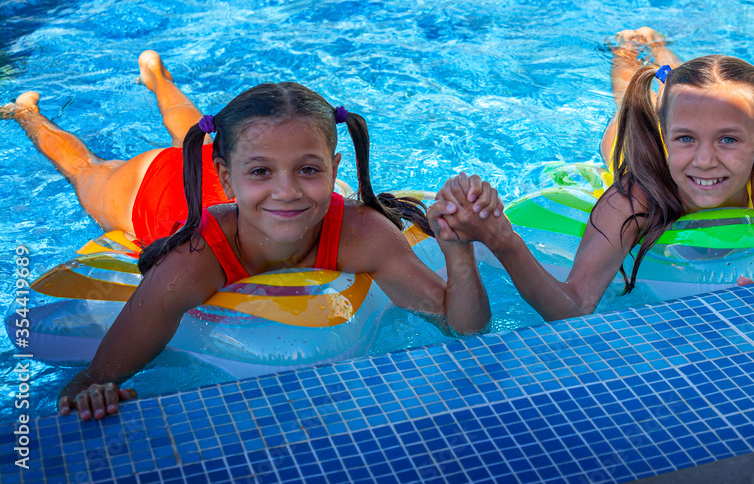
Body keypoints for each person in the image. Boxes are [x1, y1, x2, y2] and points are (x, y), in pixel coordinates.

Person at [3, 51, 499, 420]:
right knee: (87, 170)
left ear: (334, 169)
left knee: (193, 130)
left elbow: (464, 330)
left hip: (226, 167)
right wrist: (94, 388)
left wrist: (458, 253)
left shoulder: (360, 232)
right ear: (225, 175)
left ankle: (159, 79)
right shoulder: (192, 260)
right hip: (156, 189)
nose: (287, 192)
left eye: (308, 169)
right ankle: (27, 112)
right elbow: (93, 378)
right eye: (264, 172)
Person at [432, 27, 754, 322]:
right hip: (632, 153)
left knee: (684, 94)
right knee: (623, 114)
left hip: (680, 122)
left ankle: (664, 57)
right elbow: (574, 307)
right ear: (663, 137)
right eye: (686, 139)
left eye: (729, 140)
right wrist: (505, 241)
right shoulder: (633, 197)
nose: (705, 161)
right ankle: (628, 58)